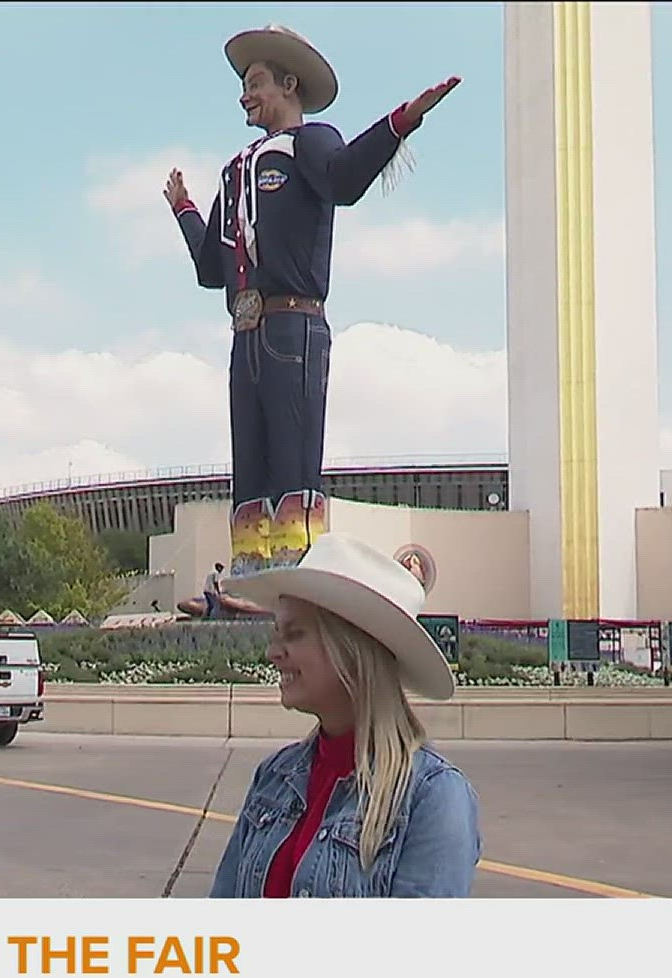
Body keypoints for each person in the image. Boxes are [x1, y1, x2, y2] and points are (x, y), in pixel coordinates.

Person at [164, 25, 459, 572]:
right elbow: (211, 268)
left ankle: (296, 566)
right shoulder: (235, 170)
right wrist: (185, 211)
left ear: (289, 85)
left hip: (293, 326)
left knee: (294, 456)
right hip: (245, 333)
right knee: (249, 461)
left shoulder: (310, 142)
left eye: (255, 82)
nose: (245, 95)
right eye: (243, 85)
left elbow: (344, 181)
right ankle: (250, 569)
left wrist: (401, 122)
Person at [186, 533, 480, 978]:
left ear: (353, 648)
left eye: (295, 634)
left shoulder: (434, 797)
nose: (274, 652)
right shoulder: (274, 779)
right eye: (277, 634)